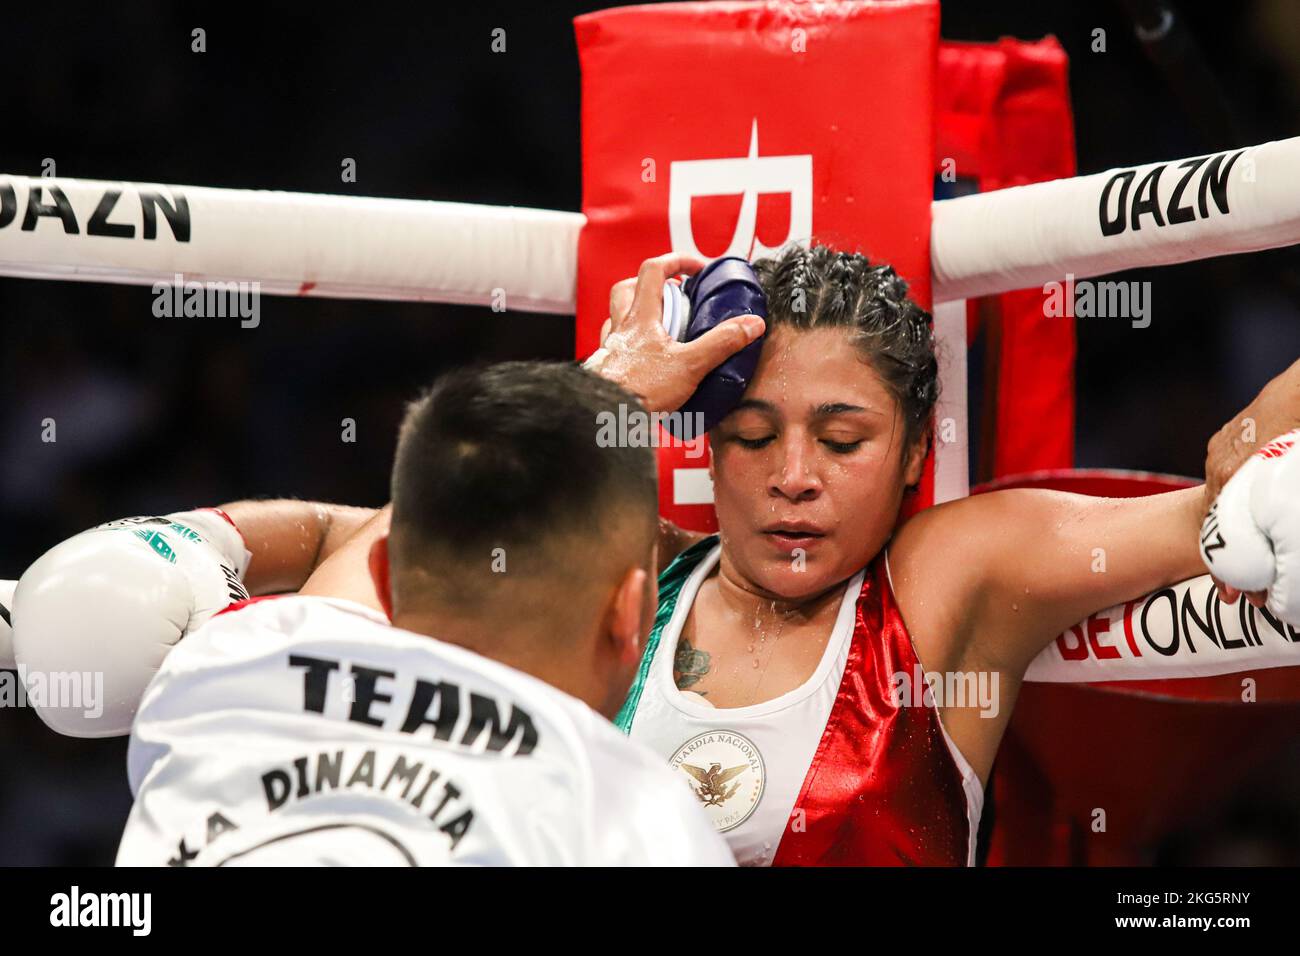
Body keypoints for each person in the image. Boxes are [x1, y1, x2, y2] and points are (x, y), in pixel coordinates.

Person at [12, 248, 1300, 866]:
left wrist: (1272, 463)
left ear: (913, 454)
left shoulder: (958, 572)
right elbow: (369, 534)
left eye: (842, 437)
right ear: (701, 447)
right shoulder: (610, 561)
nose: (794, 473)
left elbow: (1221, 510)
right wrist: (207, 545)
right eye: (752, 432)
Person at [110, 361, 734, 865]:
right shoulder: (637, 819)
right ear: (631, 614)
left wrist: (609, 382)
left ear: (383, 578)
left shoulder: (226, 661)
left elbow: (403, 531)